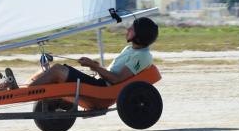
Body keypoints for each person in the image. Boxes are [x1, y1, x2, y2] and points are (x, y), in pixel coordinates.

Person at [24, 16, 158, 88]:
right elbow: (113, 73)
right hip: (99, 82)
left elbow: (116, 80)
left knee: (58, 70)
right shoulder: (131, 49)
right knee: (49, 69)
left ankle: (25, 91)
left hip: (101, 87)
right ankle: (22, 87)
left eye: (132, 29)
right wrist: (96, 66)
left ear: (140, 34)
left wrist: (93, 66)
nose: (128, 29)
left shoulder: (142, 56)